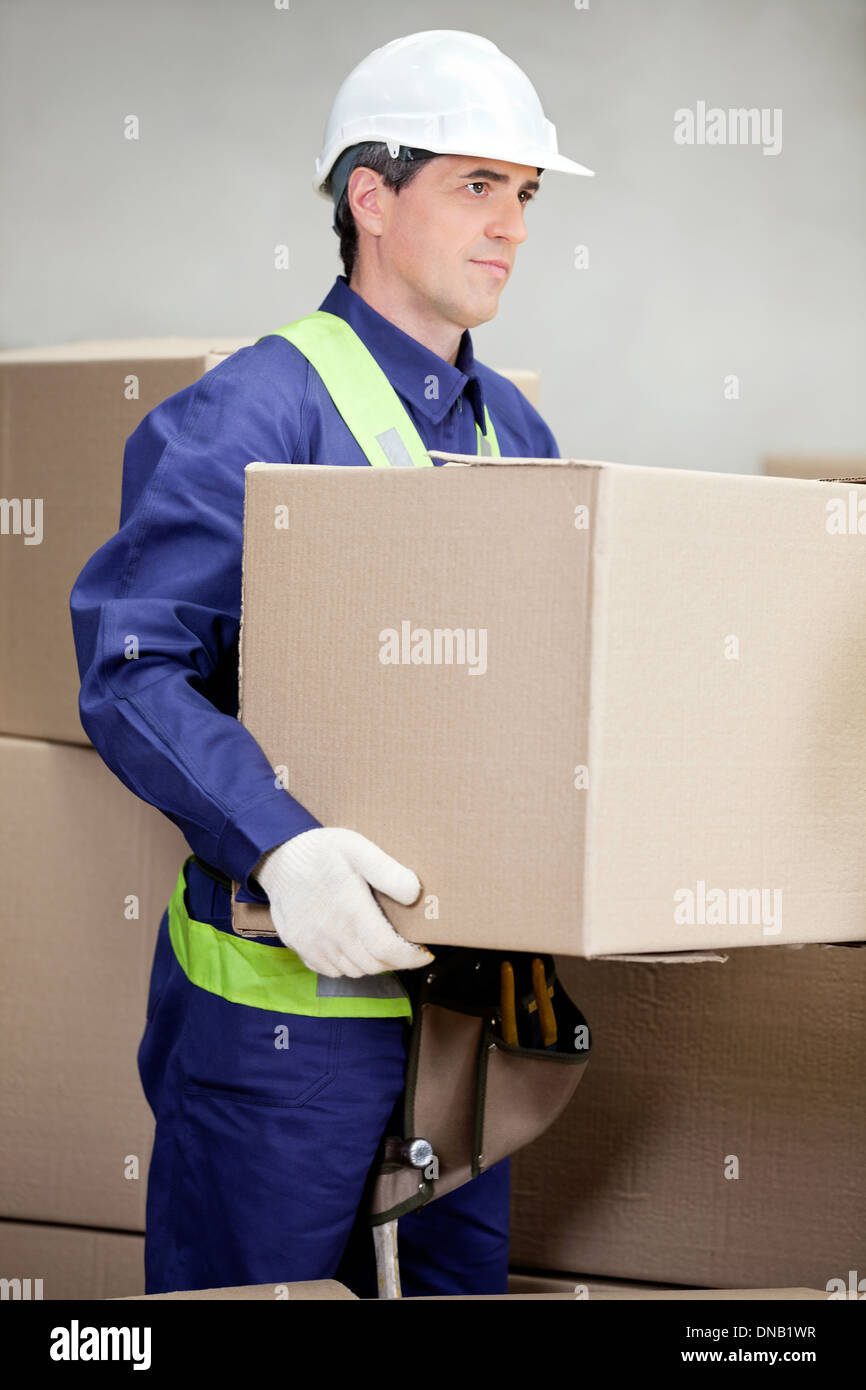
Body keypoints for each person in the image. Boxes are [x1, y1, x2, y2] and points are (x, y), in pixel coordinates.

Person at [68, 28, 593, 1298]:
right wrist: (280, 840)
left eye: (523, 195)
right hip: (280, 1025)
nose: (511, 226)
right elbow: (133, 665)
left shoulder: (514, 427)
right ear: (370, 195)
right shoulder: (251, 409)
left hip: (467, 1018)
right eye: (477, 185)